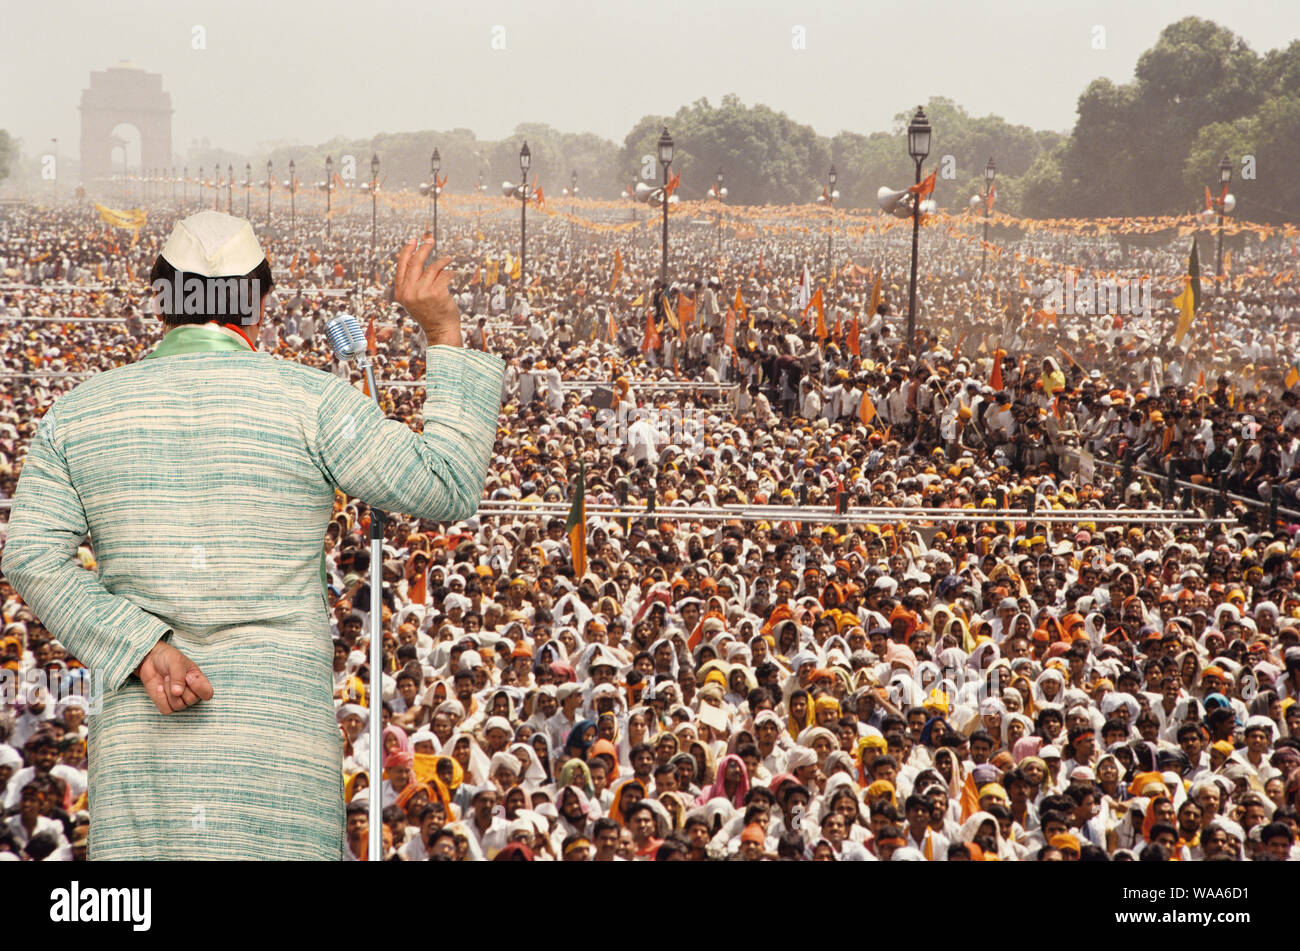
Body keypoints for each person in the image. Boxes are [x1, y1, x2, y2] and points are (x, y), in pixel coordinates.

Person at [2, 215, 505, 859]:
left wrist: (141, 648)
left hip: (147, 751)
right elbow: (447, 484)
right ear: (260, 302)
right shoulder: (312, 402)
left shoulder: (81, 411)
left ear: (162, 298)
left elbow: (32, 557)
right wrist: (443, 330)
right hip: (277, 753)